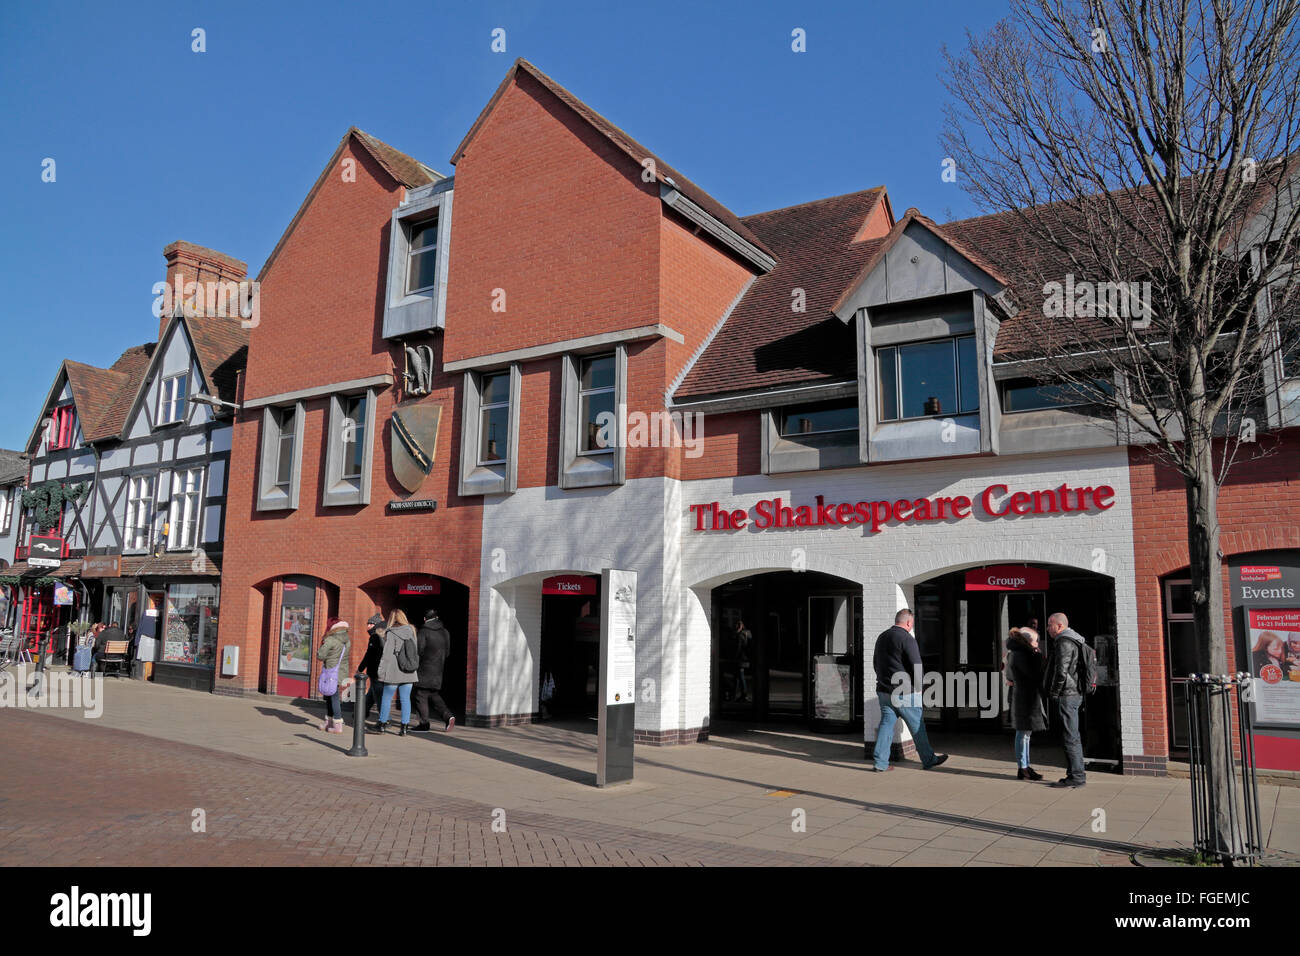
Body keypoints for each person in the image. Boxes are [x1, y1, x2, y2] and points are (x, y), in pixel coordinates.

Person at [871, 608, 948, 772]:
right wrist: (919, 688)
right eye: (912, 623)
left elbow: (875, 662)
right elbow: (916, 665)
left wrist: (882, 680)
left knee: (886, 725)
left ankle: (880, 763)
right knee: (917, 727)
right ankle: (928, 759)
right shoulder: (907, 638)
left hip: (884, 691)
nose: (912, 626)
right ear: (908, 622)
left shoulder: (882, 636)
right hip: (905, 692)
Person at [1043, 612, 1087, 788]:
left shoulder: (1064, 642)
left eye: (1050, 624)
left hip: (1067, 695)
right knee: (1071, 734)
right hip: (1073, 693)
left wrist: (1054, 692)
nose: (1047, 628)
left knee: (1070, 736)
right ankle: (1073, 774)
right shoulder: (1074, 639)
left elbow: (1061, 671)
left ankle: (1077, 776)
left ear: (1059, 626)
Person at [1005, 627, 1047, 780]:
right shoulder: (1022, 655)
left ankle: (1025, 765)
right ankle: (1023, 767)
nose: (1037, 644)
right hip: (1024, 697)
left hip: (1024, 695)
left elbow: (1010, 676)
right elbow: (1033, 674)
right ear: (1028, 641)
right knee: (1023, 733)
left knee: (1025, 733)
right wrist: (1038, 657)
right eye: (1036, 641)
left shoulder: (1019, 653)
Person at [413, 607, 455, 732]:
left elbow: (418, 651)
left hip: (424, 669)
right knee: (432, 693)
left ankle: (424, 724)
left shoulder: (424, 631)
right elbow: (447, 652)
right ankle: (448, 716)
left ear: (425, 619)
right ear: (436, 617)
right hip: (438, 669)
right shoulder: (445, 632)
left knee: (420, 694)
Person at [376, 609, 418, 735]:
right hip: (409, 671)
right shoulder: (412, 631)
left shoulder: (391, 633)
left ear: (391, 619)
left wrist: (381, 671)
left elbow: (387, 655)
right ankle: (404, 728)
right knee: (406, 699)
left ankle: (382, 724)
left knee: (386, 698)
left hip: (394, 671)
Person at [315, 618, 354, 734]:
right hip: (341, 671)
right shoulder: (347, 640)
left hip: (331, 671)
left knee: (334, 697)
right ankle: (329, 722)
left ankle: (337, 724)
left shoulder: (331, 640)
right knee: (330, 695)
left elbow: (320, 655)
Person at [359, 614, 386, 718]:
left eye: (371, 624)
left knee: (379, 696)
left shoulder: (375, 636)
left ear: (376, 625)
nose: (368, 626)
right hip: (380, 670)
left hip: (376, 670)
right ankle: (362, 713)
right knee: (372, 693)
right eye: (368, 623)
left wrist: (360, 668)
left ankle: (384, 720)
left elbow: (369, 654)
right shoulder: (382, 634)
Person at [734, 619, 752, 702]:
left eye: (737, 625)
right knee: (738, 676)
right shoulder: (748, 634)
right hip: (746, 658)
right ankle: (737, 694)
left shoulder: (740, 635)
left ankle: (744, 695)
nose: (735, 627)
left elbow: (738, 648)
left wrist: (735, 656)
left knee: (740, 676)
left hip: (741, 659)